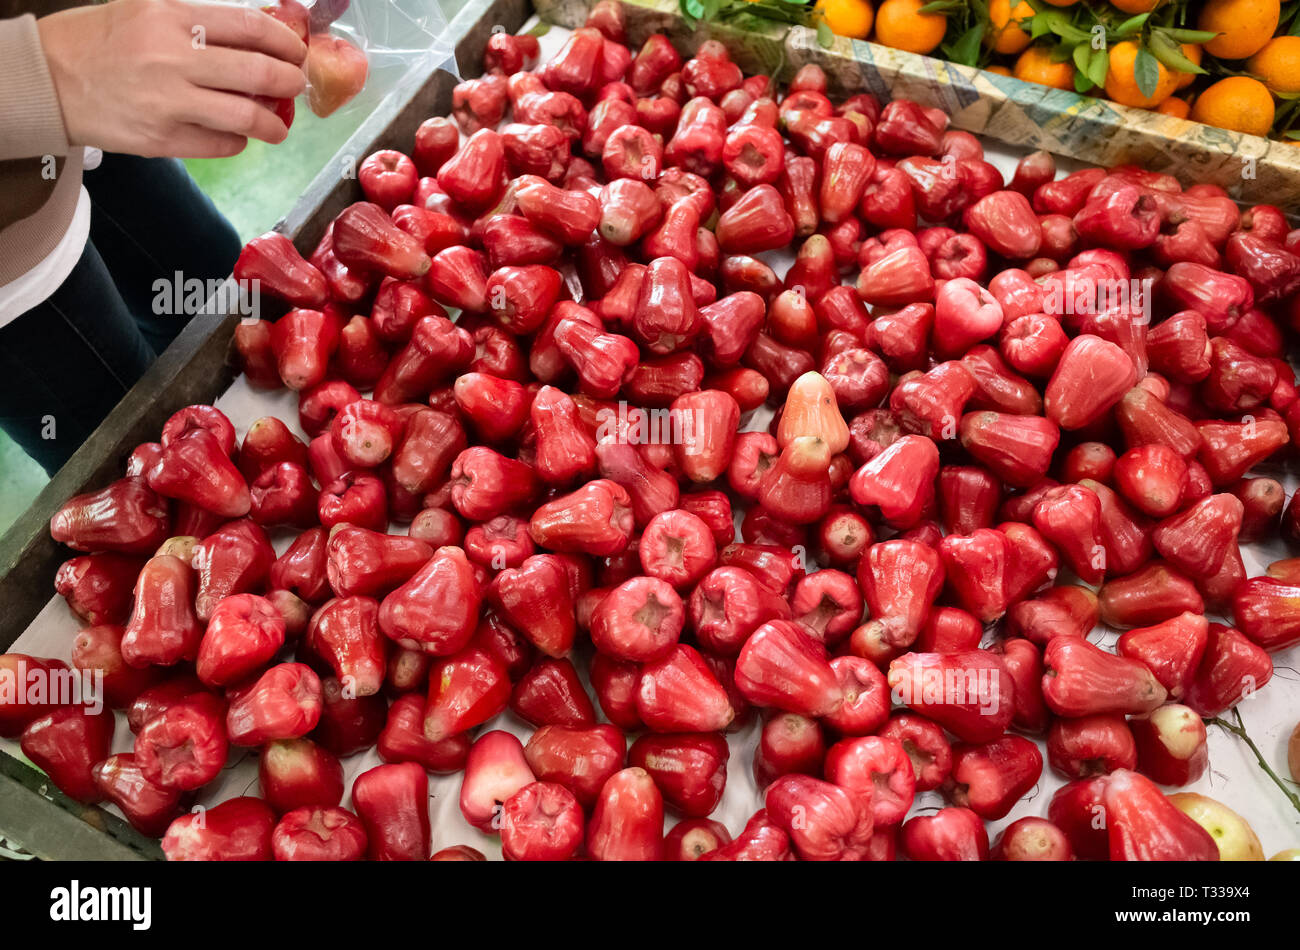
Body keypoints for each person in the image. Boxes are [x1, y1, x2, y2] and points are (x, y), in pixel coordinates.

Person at [0, 0, 308, 474]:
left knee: (214, 287)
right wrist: (43, 75)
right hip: (12, 245)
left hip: (113, 61)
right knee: (126, 451)